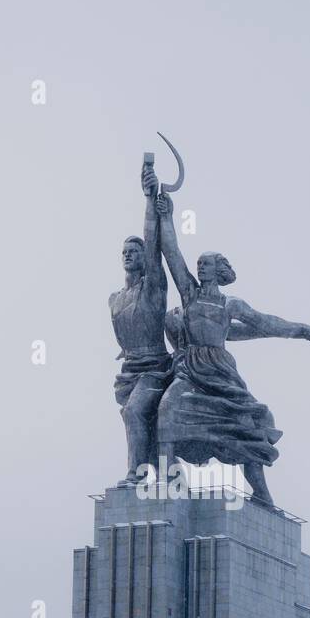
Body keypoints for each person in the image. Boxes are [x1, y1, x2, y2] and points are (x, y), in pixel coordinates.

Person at [154, 191, 310, 505]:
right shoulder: (190, 294)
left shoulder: (229, 304)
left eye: (206, 264)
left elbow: (267, 323)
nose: (200, 268)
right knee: (167, 412)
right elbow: (172, 254)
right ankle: (170, 486)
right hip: (190, 370)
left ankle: (262, 493)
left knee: (245, 425)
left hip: (220, 373)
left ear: (219, 270)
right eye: (199, 264)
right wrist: (166, 216)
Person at [109, 163, 172, 483]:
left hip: (155, 368)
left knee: (135, 411)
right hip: (130, 370)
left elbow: (153, 241)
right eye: (124, 251)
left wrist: (149, 200)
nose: (128, 255)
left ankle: (135, 473)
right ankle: (158, 472)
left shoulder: (153, 289)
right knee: (132, 415)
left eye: (135, 251)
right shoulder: (115, 299)